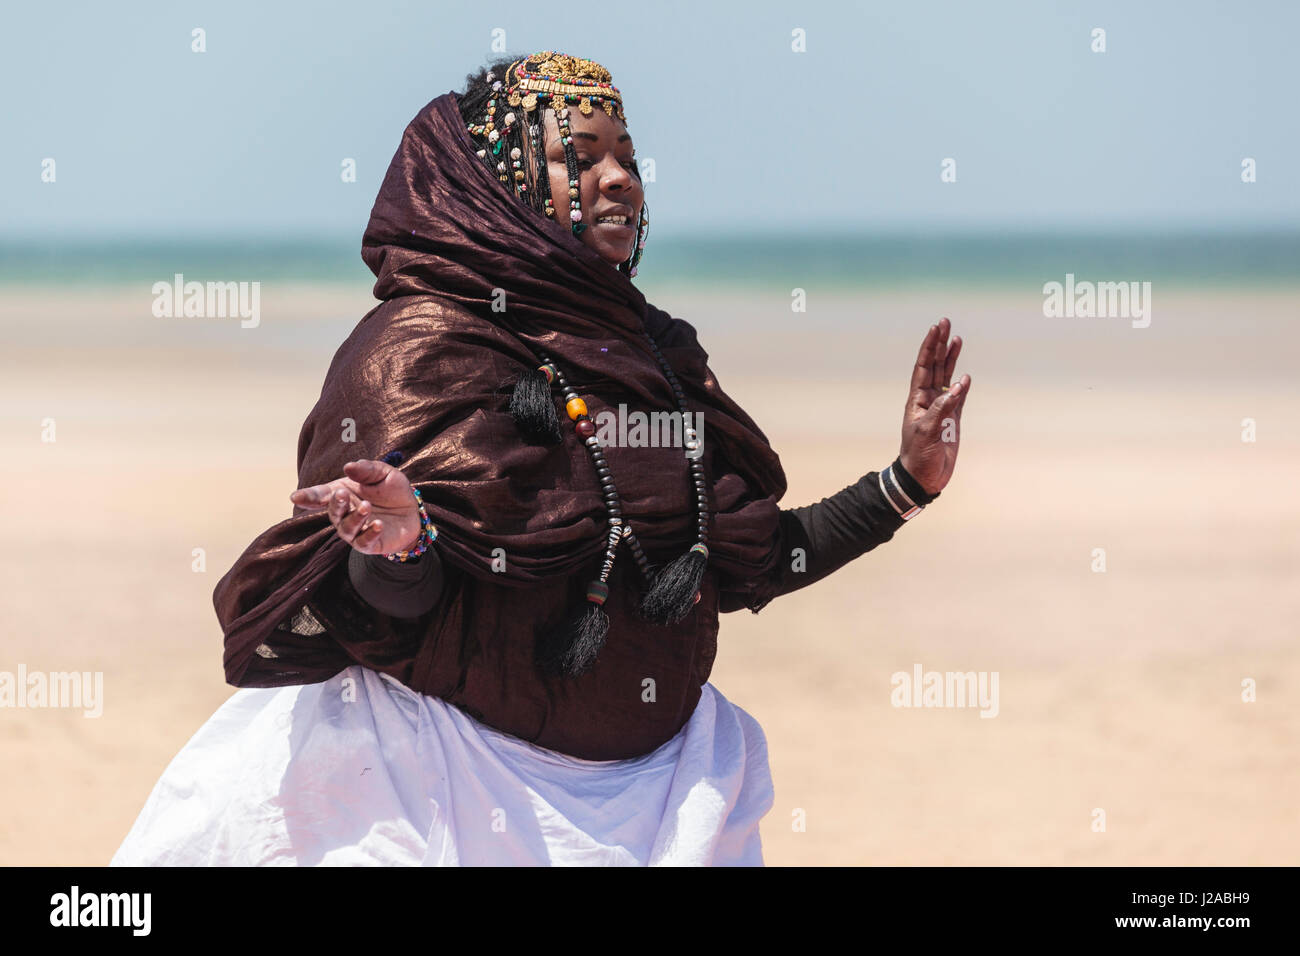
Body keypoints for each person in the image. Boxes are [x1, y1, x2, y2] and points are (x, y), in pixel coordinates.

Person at [110, 51, 971, 867]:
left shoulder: (662, 358)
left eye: (628, 156)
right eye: (580, 157)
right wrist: (402, 544)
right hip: (432, 787)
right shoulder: (419, 349)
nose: (620, 178)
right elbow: (393, 611)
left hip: (666, 803)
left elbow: (745, 561)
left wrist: (904, 486)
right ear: (504, 185)